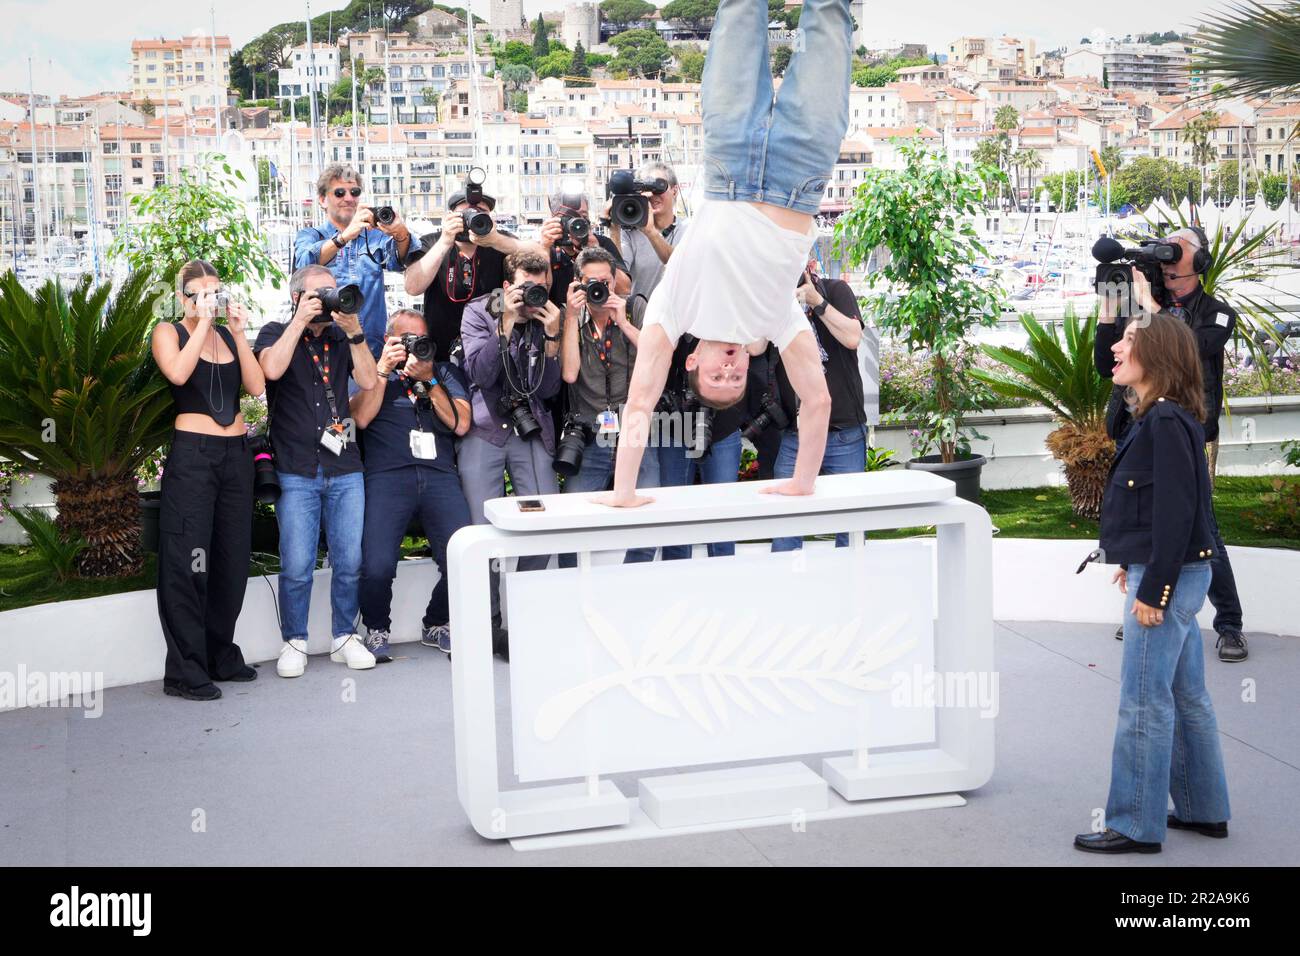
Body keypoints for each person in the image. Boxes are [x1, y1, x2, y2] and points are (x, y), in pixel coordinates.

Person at [598, 0, 852, 508]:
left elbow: (642, 401)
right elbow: (817, 400)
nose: (731, 370)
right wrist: (803, 482)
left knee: (739, 11)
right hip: (801, 175)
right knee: (829, 18)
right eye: (735, 380)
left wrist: (624, 491)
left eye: (717, 376)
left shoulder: (674, 312)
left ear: (692, 358)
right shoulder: (775, 321)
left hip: (730, 159)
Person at [1075, 312, 1231, 854]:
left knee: (1143, 702)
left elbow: (1177, 509)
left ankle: (1135, 824)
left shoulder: (1164, 421)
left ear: (1157, 357)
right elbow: (1160, 508)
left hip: (1170, 578)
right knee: (1187, 695)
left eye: (1128, 342)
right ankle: (1203, 808)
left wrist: (1154, 588)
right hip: (1176, 570)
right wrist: (1134, 562)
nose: (1115, 349)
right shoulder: (1163, 416)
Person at [1095, 226, 1247, 662]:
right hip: (1133, 424)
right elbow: (1108, 362)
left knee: (1203, 528)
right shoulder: (1140, 303)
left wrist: (1150, 306)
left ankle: (1230, 625)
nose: (1165, 254)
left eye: (1177, 247)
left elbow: (1184, 350)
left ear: (1199, 261)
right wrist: (1112, 314)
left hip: (1180, 428)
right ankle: (1141, 606)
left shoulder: (1216, 314)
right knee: (1142, 518)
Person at [254, 265, 381, 677]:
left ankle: (345, 635)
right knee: (296, 563)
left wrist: (356, 330)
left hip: (344, 466)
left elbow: (368, 380)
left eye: (333, 291)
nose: (329, 298)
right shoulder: (276, 331)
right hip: (295, 468)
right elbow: (269, 371)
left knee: (349, 559)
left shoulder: (343, 337)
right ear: (297, 297)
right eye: (320, 293)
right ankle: (295, 640)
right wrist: (300, 321)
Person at [150, 260, 266, 701]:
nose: (209, 299)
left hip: (235, 456)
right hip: (194, 457)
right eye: (199, 292)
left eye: (215, 290)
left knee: (230, 558)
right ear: (182, 297)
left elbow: (255, 388)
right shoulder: (170, 332)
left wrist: (236, 331)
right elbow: (178, 373)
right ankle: (184, 669)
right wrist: (201, 321)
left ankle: (221, 654)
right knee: (188, 558)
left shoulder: (226, 335)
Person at [459, 247, 564, 654]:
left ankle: (524, 619)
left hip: (530, 428)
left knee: (544, 526)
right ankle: (488, 627)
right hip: (486, 428)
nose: (534, 297)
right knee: (480, 532)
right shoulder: (479, 312)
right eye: (525, 288)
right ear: (507, 286)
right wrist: (505, 322)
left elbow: (551, 389)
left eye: (541, 289)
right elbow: (481, 374)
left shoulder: (549, 318)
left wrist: (553, 337)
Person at [351, 310, 472, 661]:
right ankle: (376, 628)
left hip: (438, 474)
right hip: (388, 474)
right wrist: (383, 372)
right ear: (388, 339)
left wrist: (431, 380)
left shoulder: (443, 371)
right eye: (404, 339)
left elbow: (461, 424)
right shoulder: (370, 368)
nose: (413, 347)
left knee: (463, 556)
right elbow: (359, 417)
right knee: (376, 564)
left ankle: (437, 622)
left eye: (419, 340)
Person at [558, 246, 659, 565]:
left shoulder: (636, 308)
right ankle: (573, 597)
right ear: (578, 284)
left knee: (649, 524)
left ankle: (632, 592)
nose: (600, 288)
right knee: (571, 528)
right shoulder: (570, 318)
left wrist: (624, 323)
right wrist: (572, 318)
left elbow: (656, 358)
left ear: (615, 280)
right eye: (592, 282)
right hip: (589, 435)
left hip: (635, 434)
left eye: (606, 280)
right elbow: (570, 373)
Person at [771, 259, 867, 551]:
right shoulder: (775, 305)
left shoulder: (836, 290)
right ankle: (786, 585)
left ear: (810, 267)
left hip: (843, 430)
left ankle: (852, 587)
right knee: (785, 522)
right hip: (794, 435)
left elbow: (852, 338)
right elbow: (754, 348)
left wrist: (817, 301)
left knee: (850, 526)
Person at [294, 164, 411, 356]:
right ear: (323, 200)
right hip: (326, 352)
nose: (348, 198)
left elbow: (401, 260)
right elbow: (304, 264)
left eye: (354, 192)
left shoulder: (374, 237)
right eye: (339, 193)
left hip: (371, 349)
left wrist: (400, 232)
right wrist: (343, 237)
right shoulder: (310, 235)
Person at [404, 185, 524, 363]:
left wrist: (496, 239)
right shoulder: (432, 243)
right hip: (441, 352)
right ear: (451, 216)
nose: (472, 219)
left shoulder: (501, 243)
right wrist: (445, 241)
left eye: (480, 212)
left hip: (490, 349)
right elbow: (412, 287)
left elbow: (537, 257)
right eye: (467, 213)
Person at [609, 161, 689, 304]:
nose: (652, 195)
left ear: (674, 191)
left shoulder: (688, 228)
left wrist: (651, 232)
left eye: (658, 187)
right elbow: (620, 284)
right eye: (644, 190)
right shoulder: (630, 233)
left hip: (677, 319)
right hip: (641, 319)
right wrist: (614, 229)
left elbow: (678, 265)